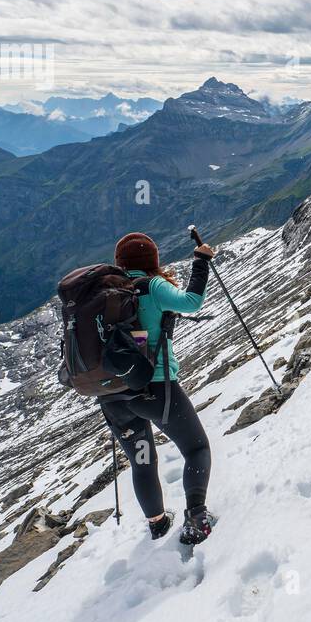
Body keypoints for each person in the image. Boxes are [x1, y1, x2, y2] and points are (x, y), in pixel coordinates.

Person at [101, 232, 216, 545]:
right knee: (196, 448)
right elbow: (192, 302)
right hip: (154, 389)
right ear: (152, 261)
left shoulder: (104, 292)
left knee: (142, 460)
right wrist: (201, 262)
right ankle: (195, 519)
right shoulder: (151, 285)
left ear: (119, 262)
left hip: (113, 395)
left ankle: (158, 524)